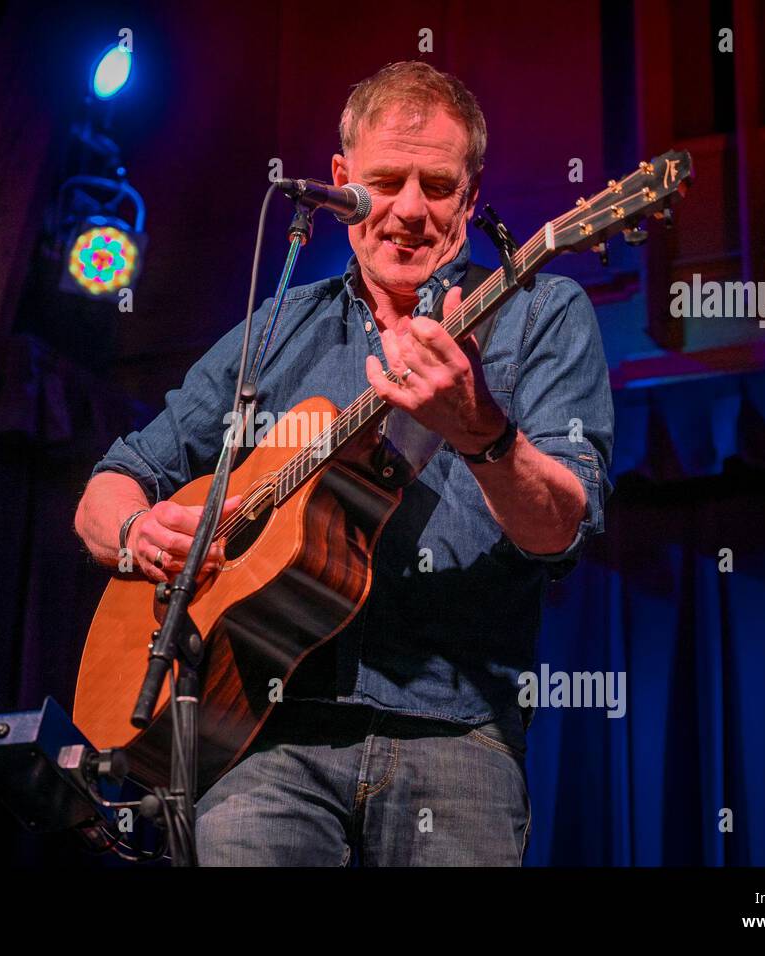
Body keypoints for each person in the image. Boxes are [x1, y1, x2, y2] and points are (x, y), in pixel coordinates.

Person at [74, 60, 613, 866]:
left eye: (437, 186)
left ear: (471, 196)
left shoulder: (539, 312)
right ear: (338, 183)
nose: (408, 211)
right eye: (385, 181)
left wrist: (480, 432)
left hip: (457, 737)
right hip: (260, 740)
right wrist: (139, 532)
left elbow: (561, 526)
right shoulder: (280, 326)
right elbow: (109, 485)